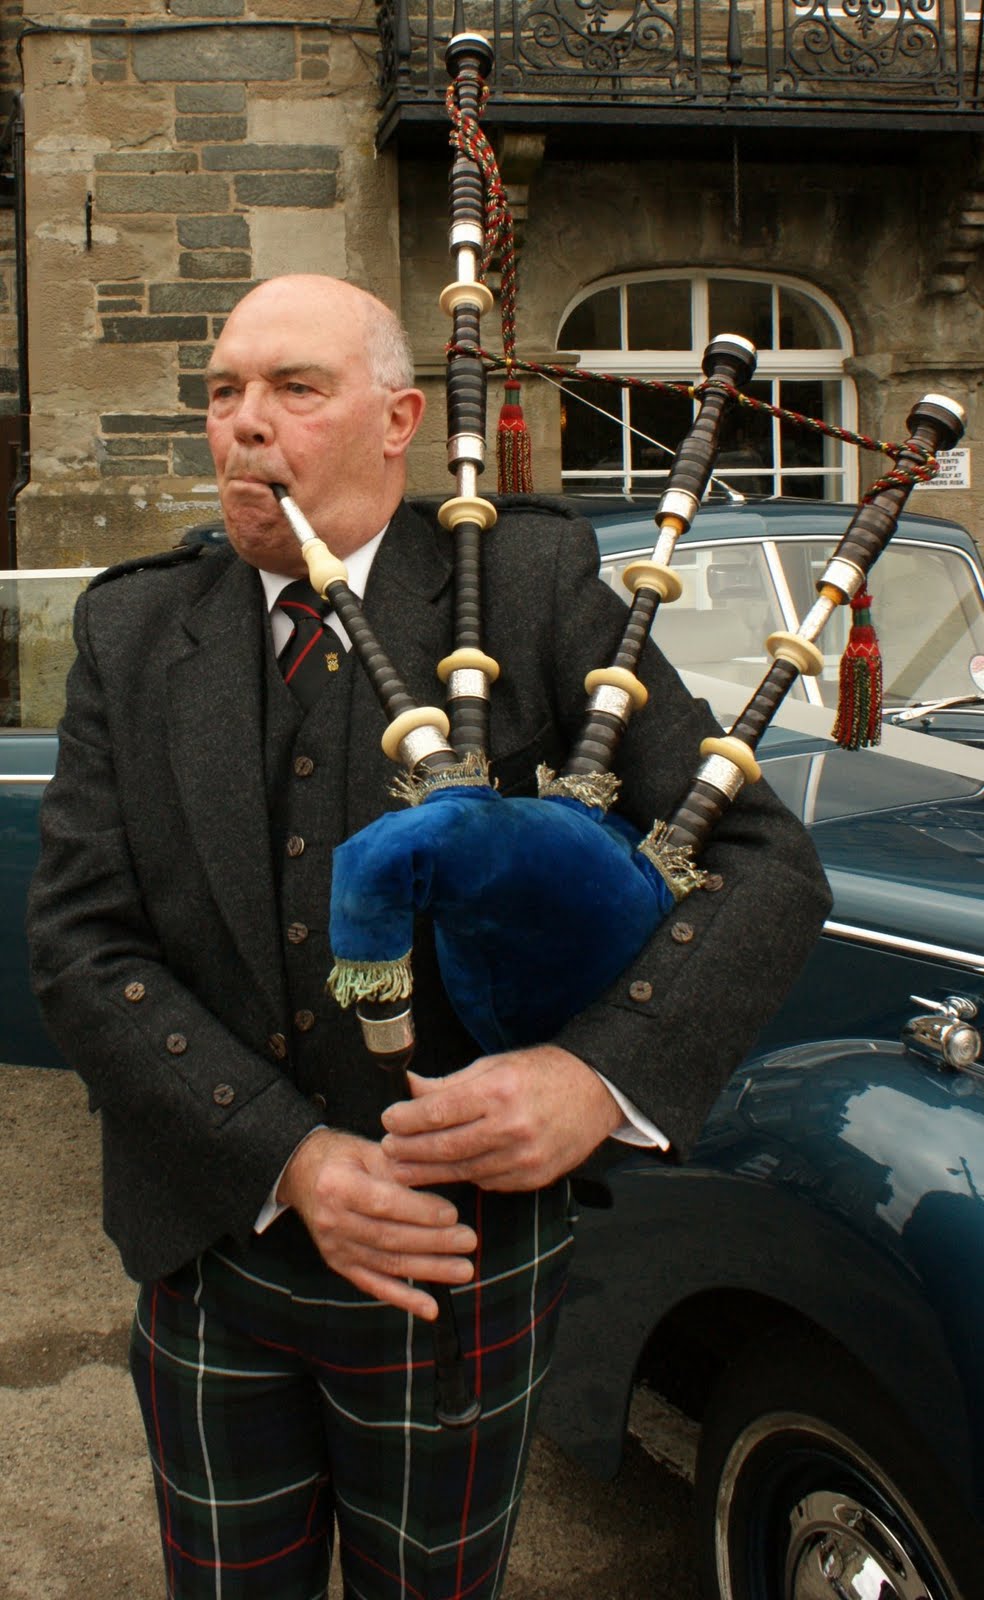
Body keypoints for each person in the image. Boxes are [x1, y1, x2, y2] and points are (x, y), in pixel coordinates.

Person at [28, 274, 831, 1599]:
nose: (242, 424)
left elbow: (760, 863)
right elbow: (79, 940)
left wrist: (595, 1076)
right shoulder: (131, 627)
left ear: (401, 419)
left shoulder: (525, 586)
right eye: (224, 391)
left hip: (466, 1263)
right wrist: (288, 1154)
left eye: (295, 388)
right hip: (216, 1237)